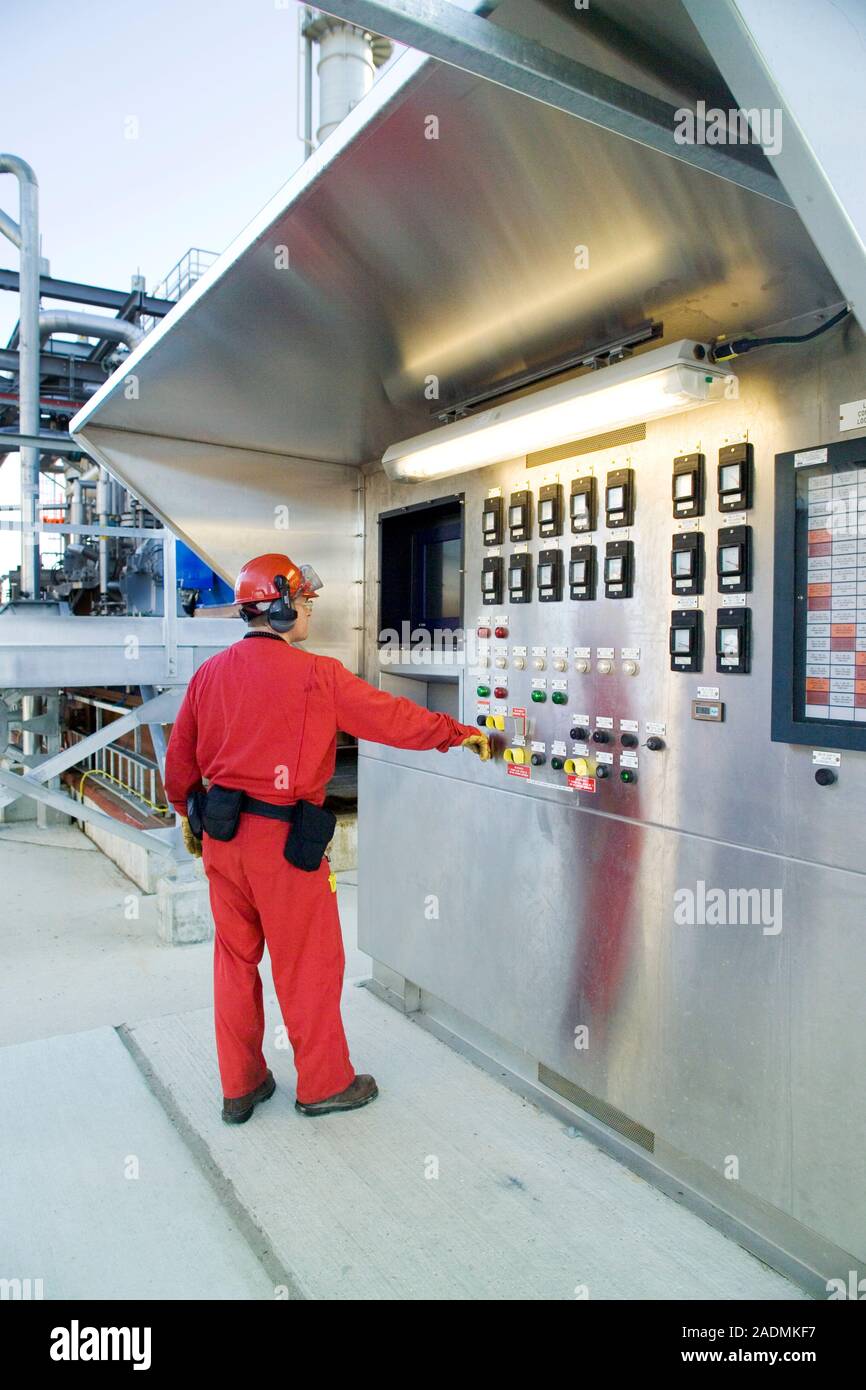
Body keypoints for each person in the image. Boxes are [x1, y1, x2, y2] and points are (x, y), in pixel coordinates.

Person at [163, 552, 490, 1123]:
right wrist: (459, 733)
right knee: (307, 963)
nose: (311, 610)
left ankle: (240, 1086)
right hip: (285, 846)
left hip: (221, 835)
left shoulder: (208, 674)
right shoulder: (317, 676)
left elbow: (179, 762)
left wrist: (188, 818)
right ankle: (323, 1083)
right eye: (306, 601)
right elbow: (393, 718)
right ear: (284, 607)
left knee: (233, 962)